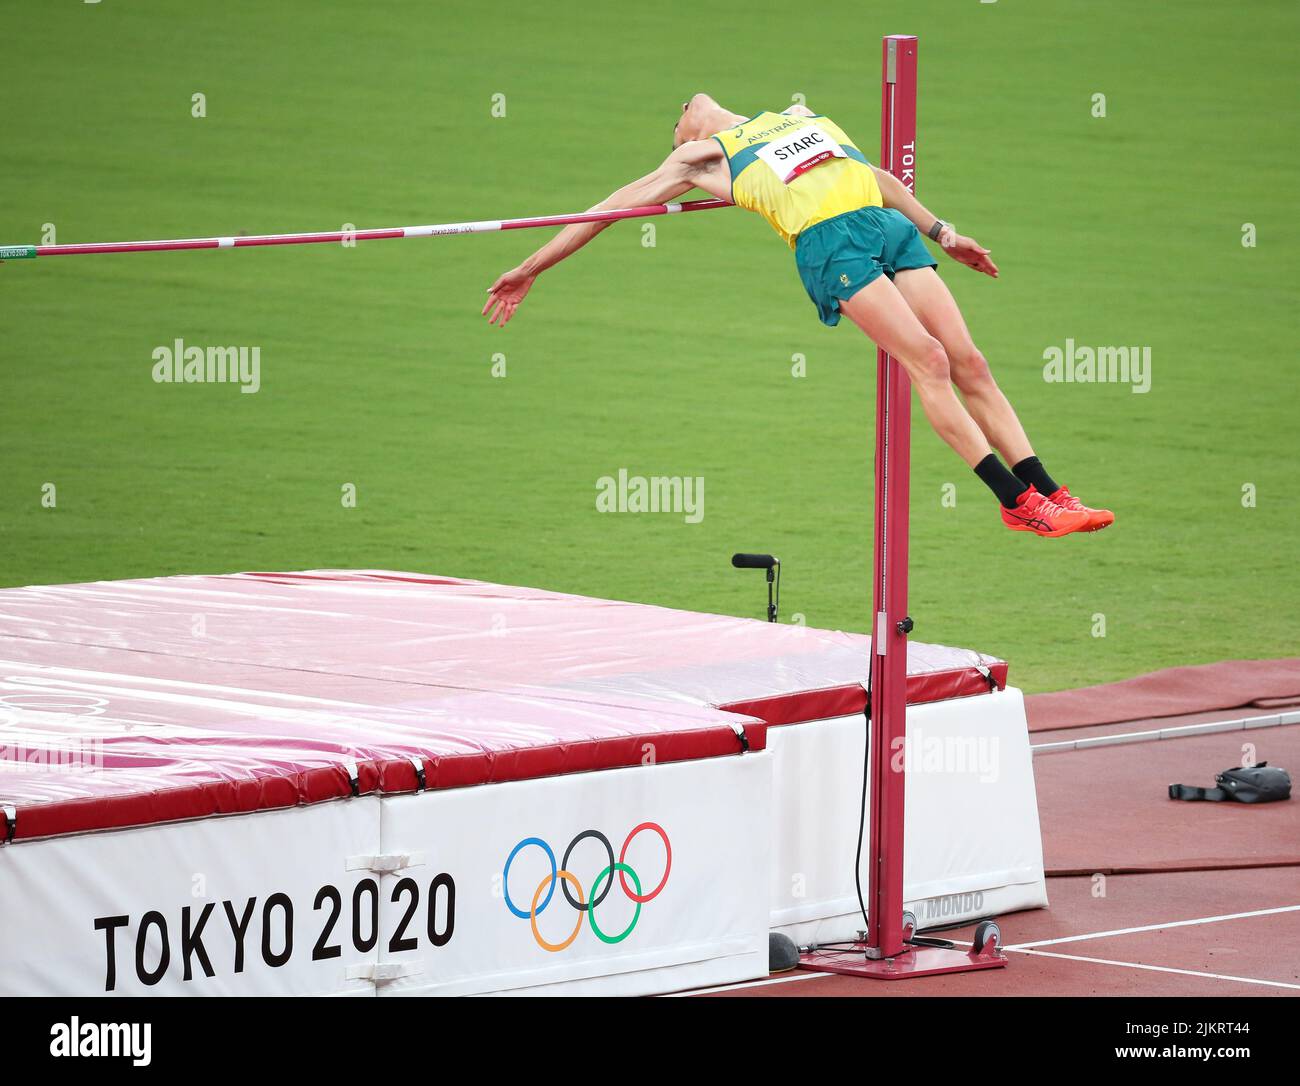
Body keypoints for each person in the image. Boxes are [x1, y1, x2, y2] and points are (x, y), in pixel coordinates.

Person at [483, 94, 1113, 537]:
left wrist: (944, 233)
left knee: (970, 359)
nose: (678, 119)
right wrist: (532, 267)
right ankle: (1016, 502)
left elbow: (874, 174)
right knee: (929, 360)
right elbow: (608, 210)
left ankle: (1052, 491)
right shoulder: (701, 158)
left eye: (675, 115)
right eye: (675, 129)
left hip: (884, 224)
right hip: (829, 244)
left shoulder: (797, 115)